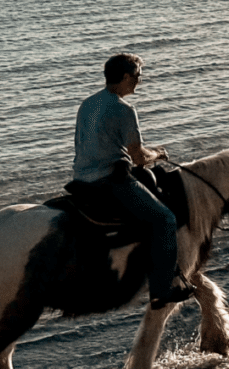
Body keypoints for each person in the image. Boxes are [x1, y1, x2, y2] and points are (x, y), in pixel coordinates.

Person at [72, 53, 195, 310]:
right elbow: (139, 158)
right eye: (138, 76)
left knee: (148, 180)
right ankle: (162, 291)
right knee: (165, 220)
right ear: (127, 77)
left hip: (81, 178)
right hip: (109, 180)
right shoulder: (124, 109)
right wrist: (159, 154)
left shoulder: (88, 103)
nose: (139, 81)